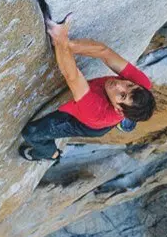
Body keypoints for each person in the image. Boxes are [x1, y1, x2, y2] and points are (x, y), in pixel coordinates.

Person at [19, 15, 156, 162]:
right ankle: (126, 117)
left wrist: (60, 40)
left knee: (31, 133)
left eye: (122, 95)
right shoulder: (142, 85)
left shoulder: (95, 112)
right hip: (110, 114)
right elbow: (104, 52)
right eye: (128, 85)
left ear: (118, 109)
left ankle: (51, 154)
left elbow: (73, 76)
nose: (118, 84)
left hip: (87, 124)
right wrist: (67, 44)